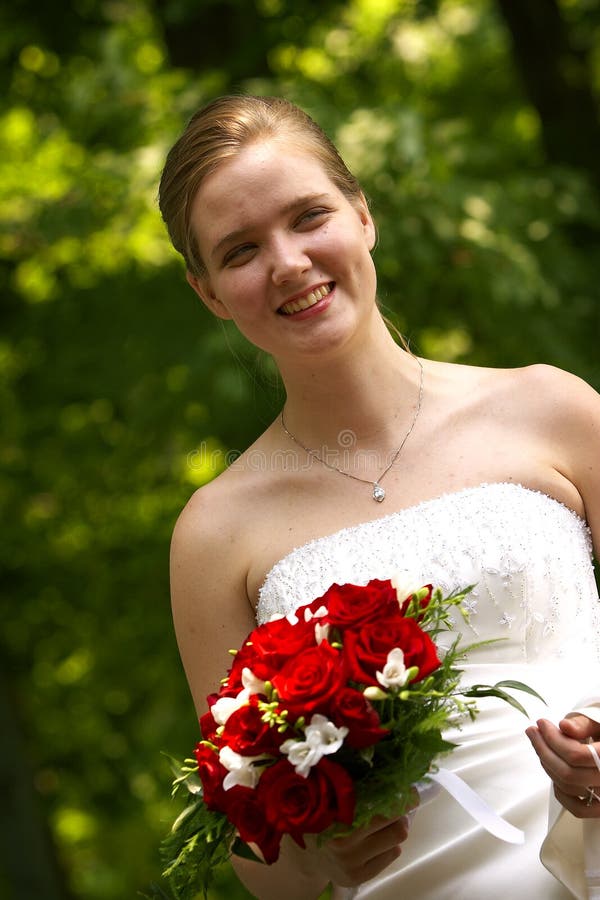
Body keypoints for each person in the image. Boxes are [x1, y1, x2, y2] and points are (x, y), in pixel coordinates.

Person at [159, 95, 600, 899]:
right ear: (209, 293)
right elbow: (251, 847)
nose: (288, 262)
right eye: (241, 250)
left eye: (309, 217)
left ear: (362, 215)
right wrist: (311, 861)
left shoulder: (554, 408)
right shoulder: (214, 533)